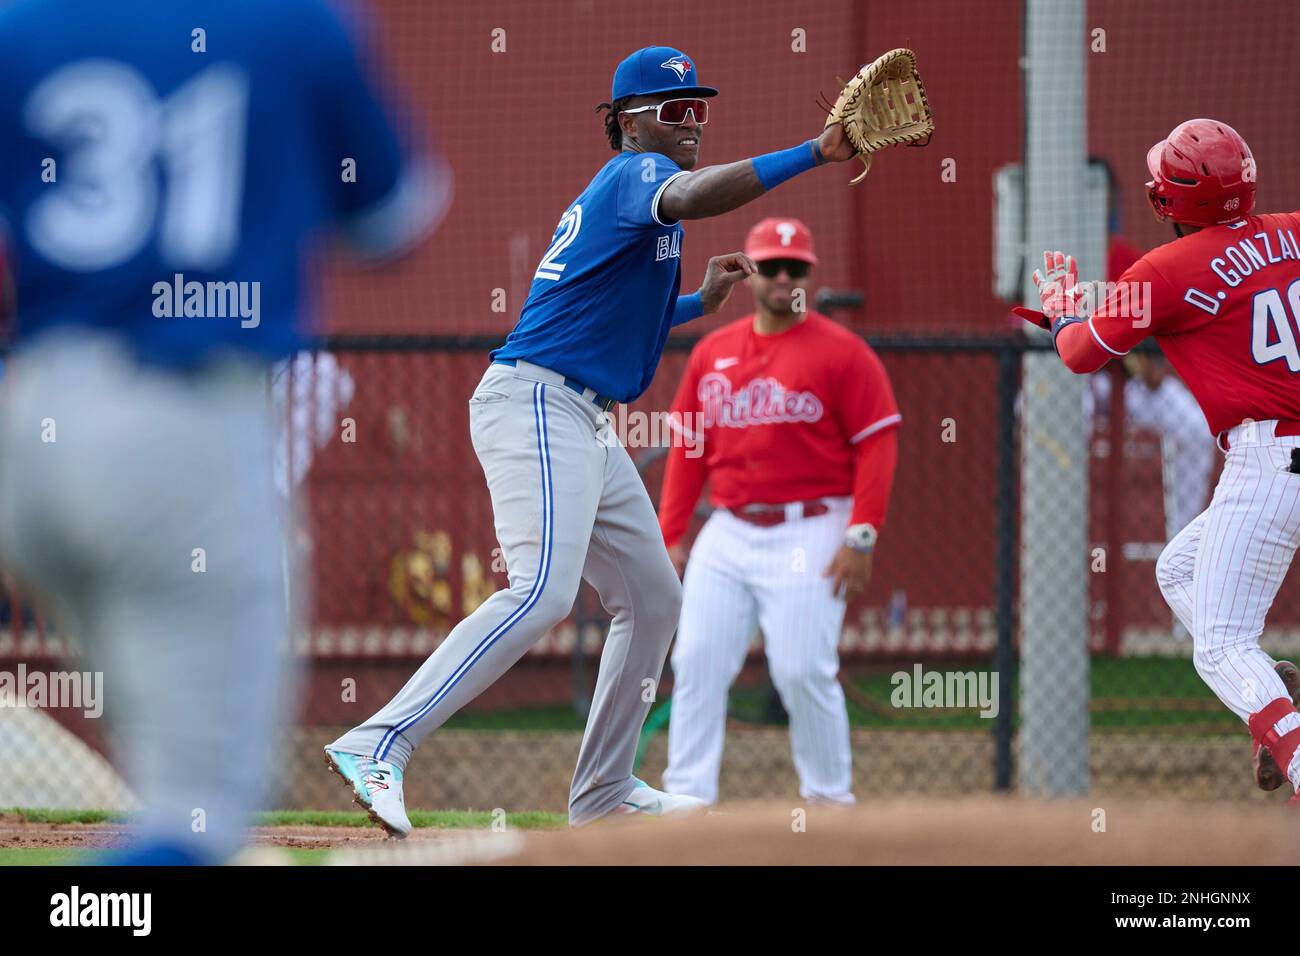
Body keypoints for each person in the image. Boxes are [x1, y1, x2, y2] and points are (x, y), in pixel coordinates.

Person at [325, 45, 868, 832]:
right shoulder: (634, 176)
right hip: (539, 403)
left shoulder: (634, 200)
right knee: (542, 590)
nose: (693, 124)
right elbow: (697, 193)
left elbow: (613, 316)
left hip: (578, 413)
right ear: (628, 123)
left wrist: (696, 301)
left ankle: (605, 789)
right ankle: (380, 741)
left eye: (699, 109)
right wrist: (814, 153)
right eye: (675, 110)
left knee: (652, 598)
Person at [0, 0, 444, 863]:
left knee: (167, 774)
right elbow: (393, 221)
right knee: (197, 819)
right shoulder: (295, 23)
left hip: (34, 422)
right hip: (183, 425)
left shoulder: (18, 25)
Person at [1016, 118, 1300, 802]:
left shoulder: (1166, 268)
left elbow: (1081, 354)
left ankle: (1290, 744)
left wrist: (1060, 313)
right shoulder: (1293, 227)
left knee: (1220, 645)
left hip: (1272, 461)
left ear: (1168, 198)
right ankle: (1271, 702)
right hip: (1276, 457)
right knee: (1180, 570)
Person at [657, 217, 900, 806]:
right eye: (771, 266)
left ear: (809, 275)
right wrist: (670, 533)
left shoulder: (844, 353)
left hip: (814, 523)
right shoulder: (714, 351)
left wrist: (861, 535)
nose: (783, 276)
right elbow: (689, 449)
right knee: (696, 662)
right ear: (751, 273)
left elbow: (878, 442)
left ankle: (828, 802)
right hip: (730, 527)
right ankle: (687, 801)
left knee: (800, 669)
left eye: (796, 268)